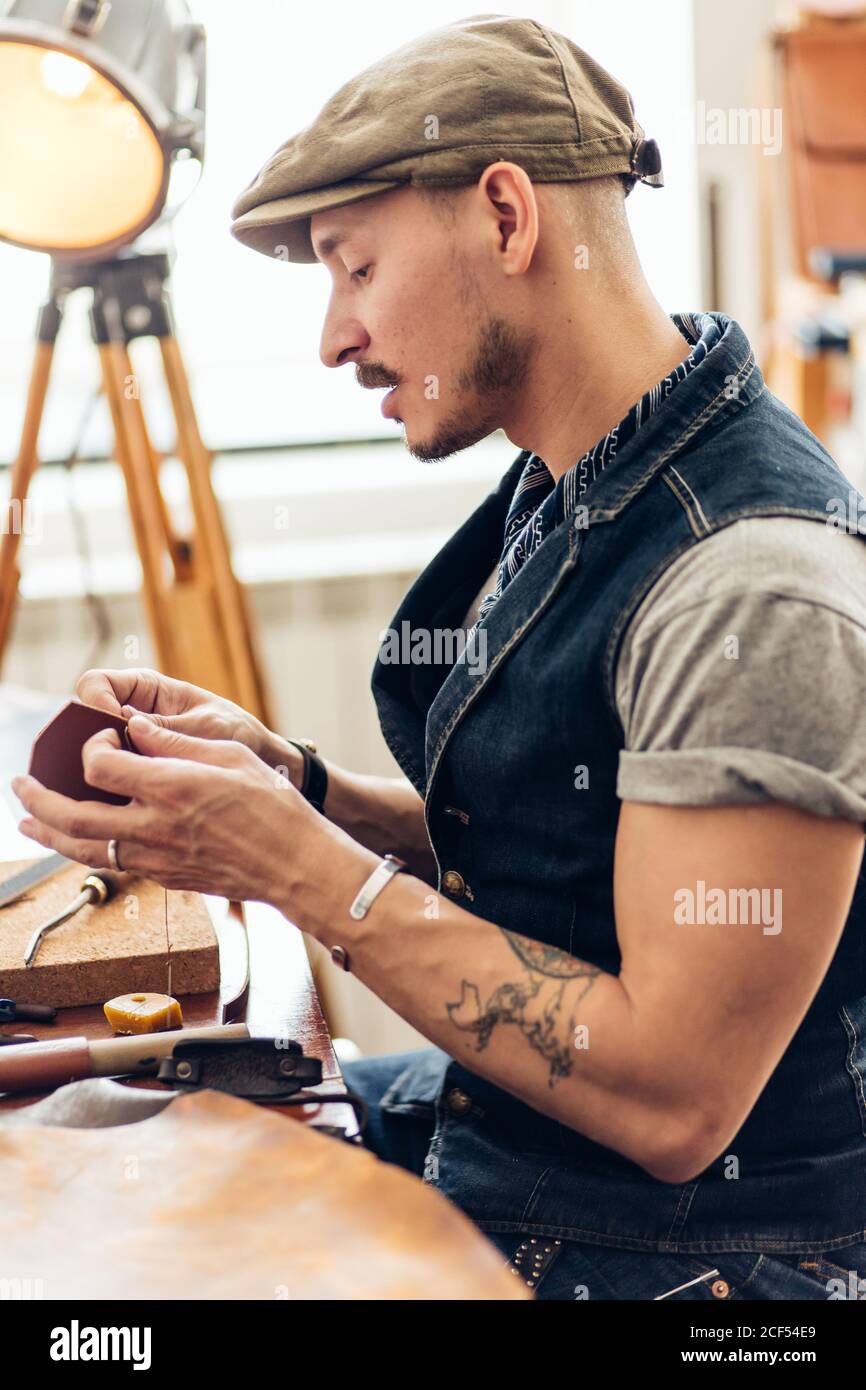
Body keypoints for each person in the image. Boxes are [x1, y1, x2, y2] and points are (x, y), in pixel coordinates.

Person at [13, 15, 866, 1300]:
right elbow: (579, 847)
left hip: (689, 1258)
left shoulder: (752, 589)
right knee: (107, 1149)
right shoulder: (591, 473)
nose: (330, 337)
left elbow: (672, 1095)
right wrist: (303, 791)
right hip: (521, 1152)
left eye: (353, 269)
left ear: (507, 218)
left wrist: (296, 868)